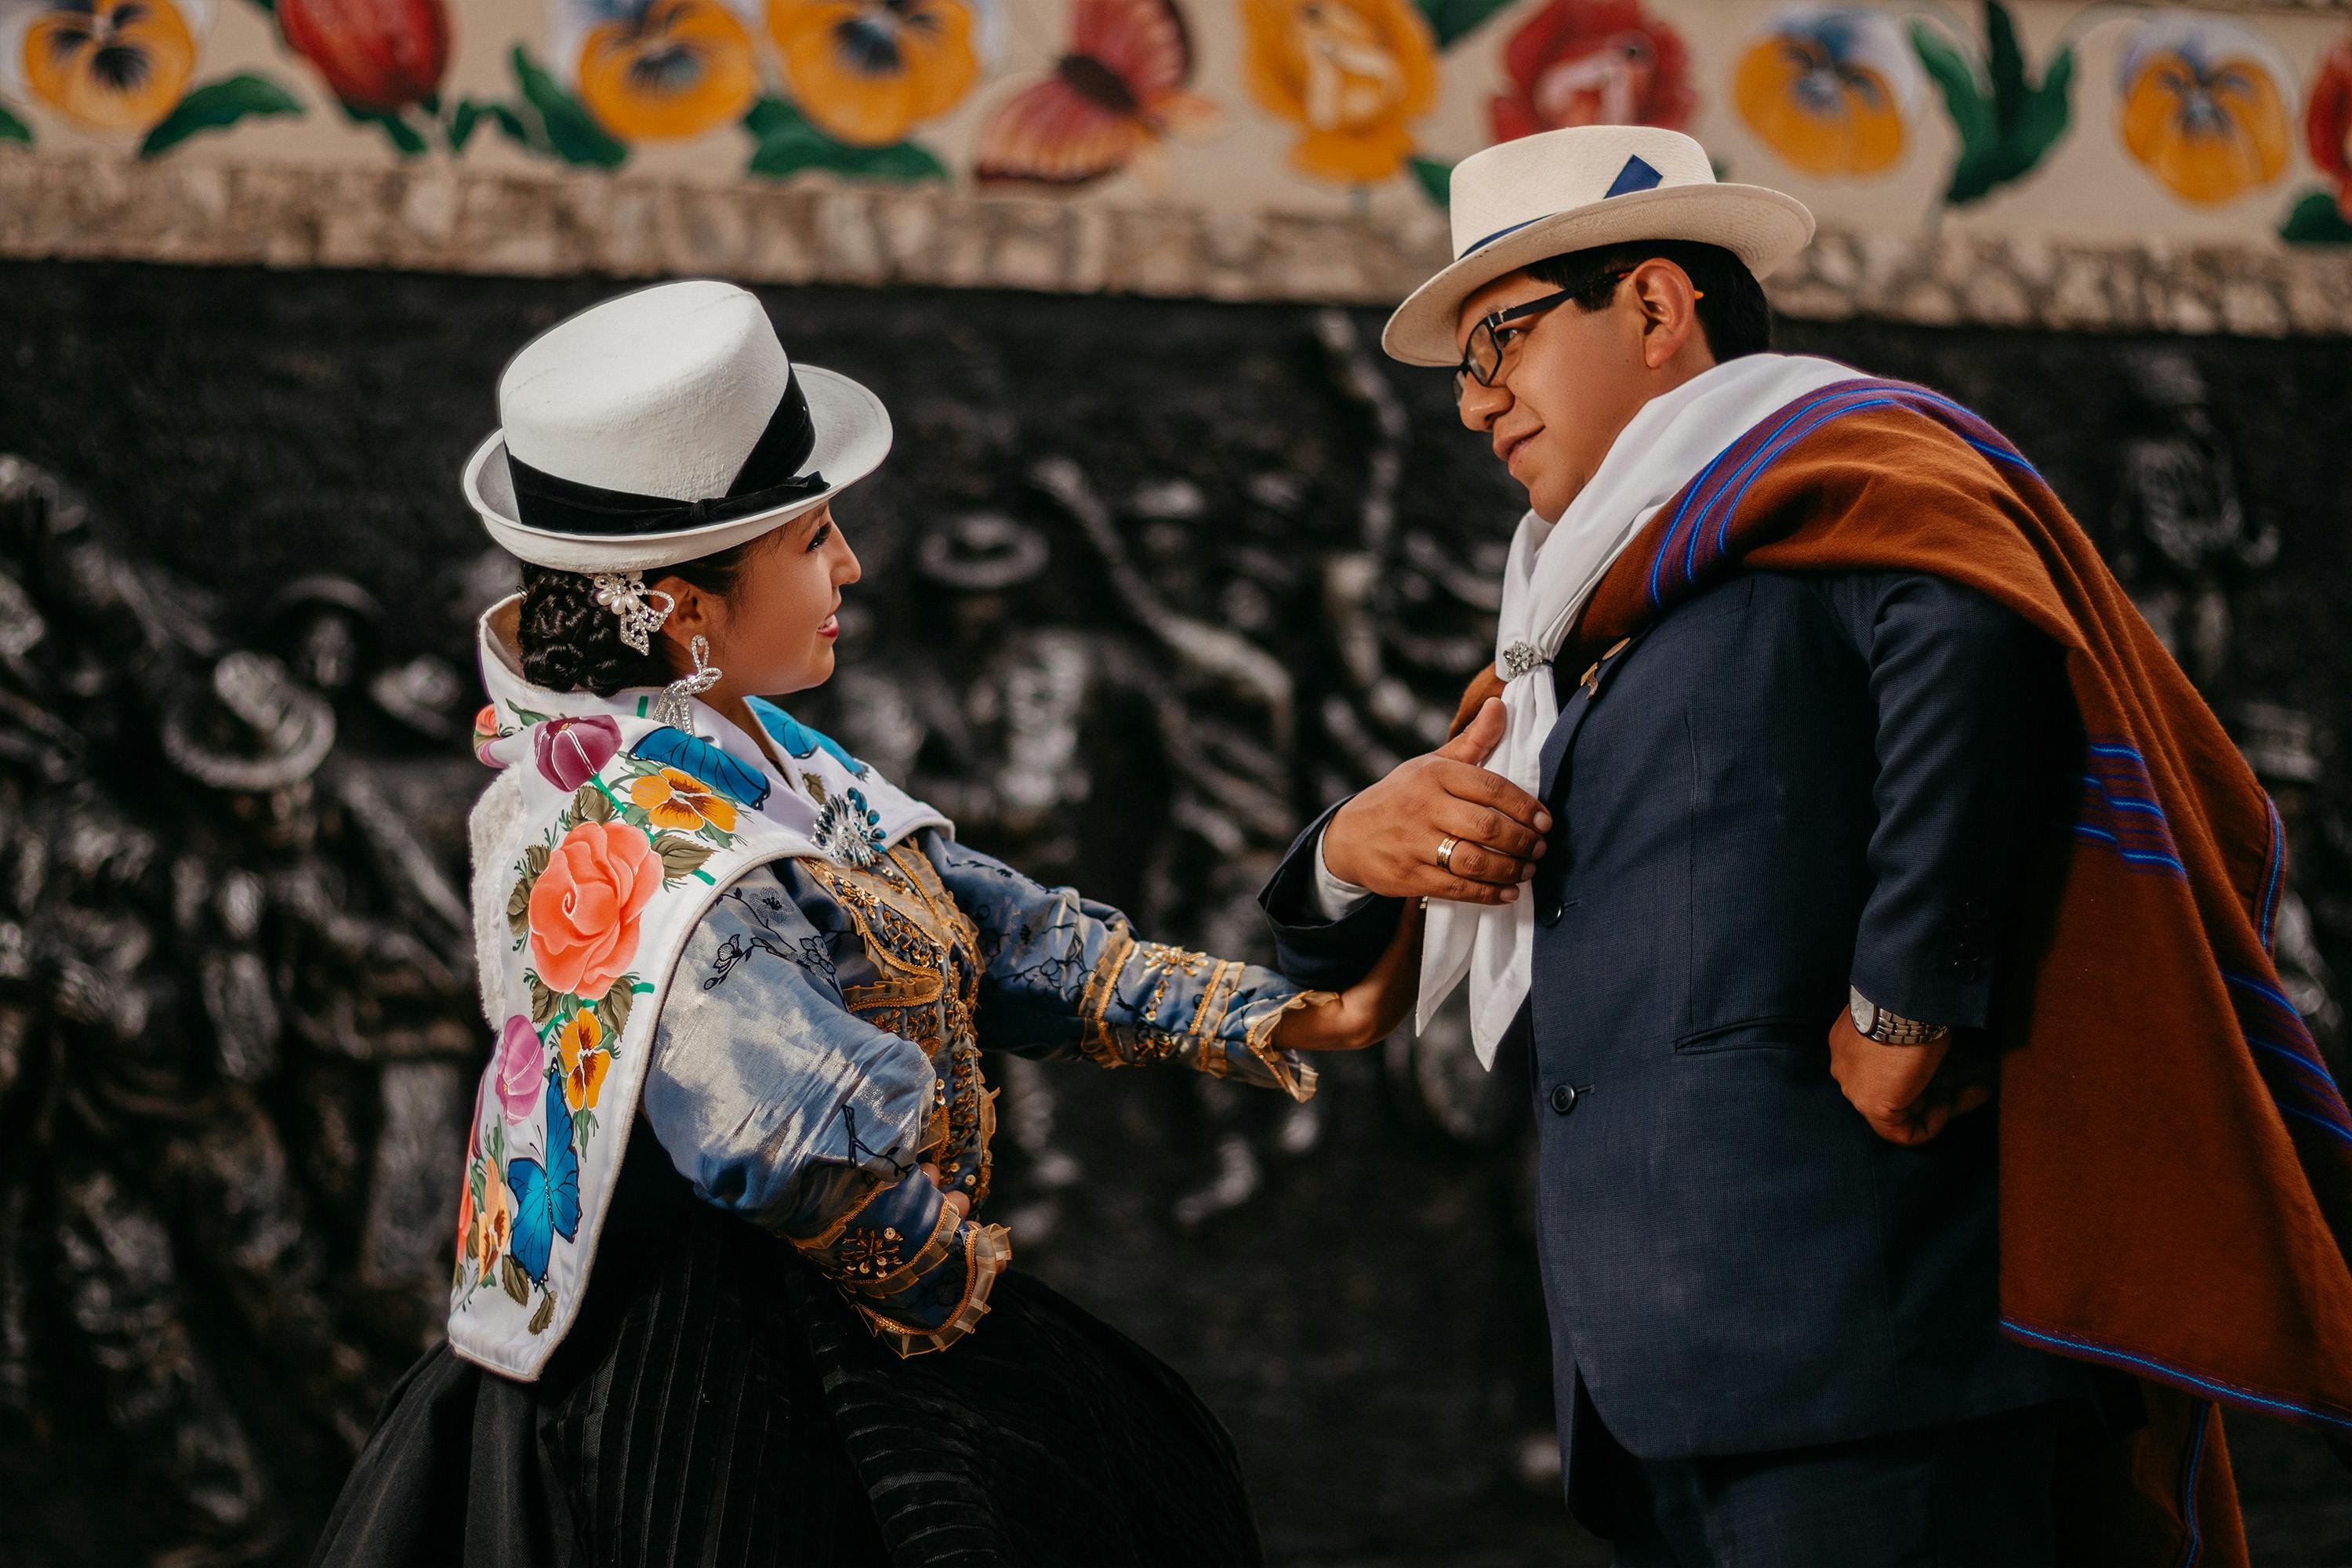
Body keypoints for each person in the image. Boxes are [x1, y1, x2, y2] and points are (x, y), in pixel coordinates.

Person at [1258, 125, 2352, 1566]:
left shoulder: (1857, 481)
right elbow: (1359, 945)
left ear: (1654, 308)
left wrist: (1910, 1000)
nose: (1476, 406)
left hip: (1873, 1349)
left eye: (1500, 342)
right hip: (1675, 1374)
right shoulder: (1581, 618)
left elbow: (1976, 643)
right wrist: (1349, 848)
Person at [312, 280, 1417, 1568]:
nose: (852, 565)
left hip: (822, 1325)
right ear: (684, 613)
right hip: (698, 1388)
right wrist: (951, 1289)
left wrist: (1266, 1011)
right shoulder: (618, 830)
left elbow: (986, 922)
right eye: (812, 539)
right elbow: (775, 1140)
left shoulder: (756, 748)